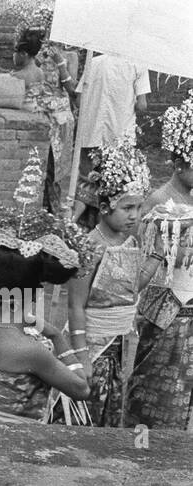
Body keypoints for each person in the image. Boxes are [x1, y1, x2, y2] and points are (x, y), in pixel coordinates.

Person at [0, 169, 93, 423]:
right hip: (12, 448)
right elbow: (81, 389)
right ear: (36, 292)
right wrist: (58, 337)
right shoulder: (32, 351)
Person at [60, 135, 164, 426]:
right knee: (85, 415)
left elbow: (130, 290)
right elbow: (75, 306)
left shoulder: (130, 241)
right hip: (93, 345)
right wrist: (81, 356)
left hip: (118, 346)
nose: (135, 216)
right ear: (104, 207)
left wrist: (156, 257)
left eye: (139, 208)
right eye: (127, 208)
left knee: (109, 416)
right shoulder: (90, 247)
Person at [130, 94, 193, 428]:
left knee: (183, 393)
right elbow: (155, 257)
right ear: (179, 162)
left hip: (190, 305)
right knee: (154, 386)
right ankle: (143, 446)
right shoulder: (158, 200)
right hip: (166, 306)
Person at [74, 52, 150, 224]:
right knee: (114, 186)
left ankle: (81, 227)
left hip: (91, 133)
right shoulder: (138, 64)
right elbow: (142, 105)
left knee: (87, 180)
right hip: (119, 138)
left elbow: (79, 100)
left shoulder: (93, 63)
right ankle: (104, 228)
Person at [15, 13, 79, 212]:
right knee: (35, 160)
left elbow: (72, 90)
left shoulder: (70, 56)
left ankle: (50, 207)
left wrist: (60, 62)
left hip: (59, 116)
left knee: (54, 165)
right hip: (39, 111)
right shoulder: (37, 53)